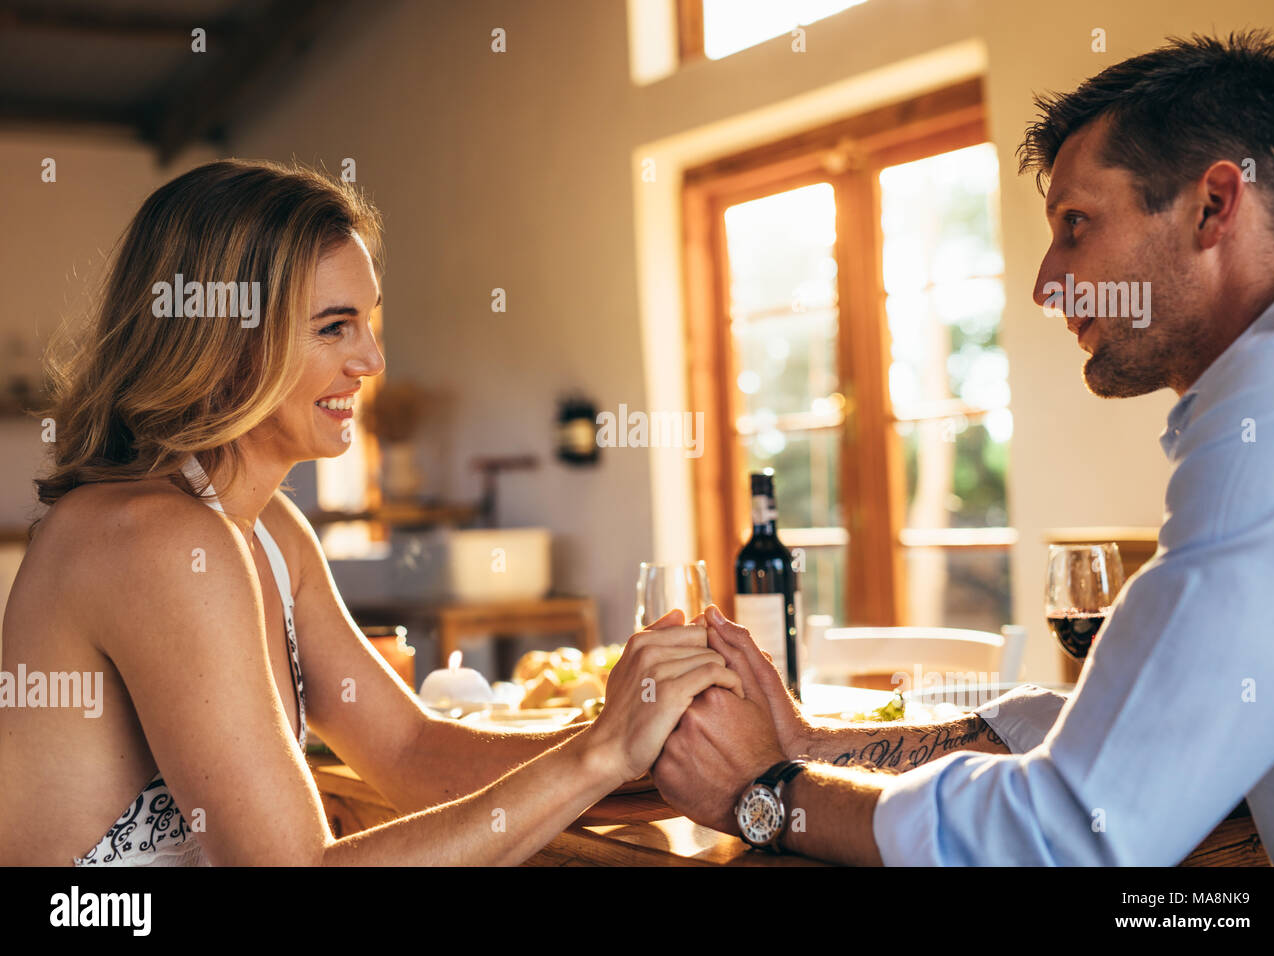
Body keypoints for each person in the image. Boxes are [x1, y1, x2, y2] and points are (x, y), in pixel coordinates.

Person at [653, 30, 1274, 866]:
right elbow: (1123, 724)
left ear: (1215, 206)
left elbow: (1070, 833)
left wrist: (764, 793)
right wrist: (821, 747)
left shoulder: (1273, 426)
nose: (1045, 282)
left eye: (1076, 224)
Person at [0, 159, 742, 866]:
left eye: (367, 323)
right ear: (222, 343)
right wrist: (600, 753)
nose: (371, 362)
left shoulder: (270, 531)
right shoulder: (150, 538)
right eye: (333, 327)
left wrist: (673, 757)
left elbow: (414, 753)